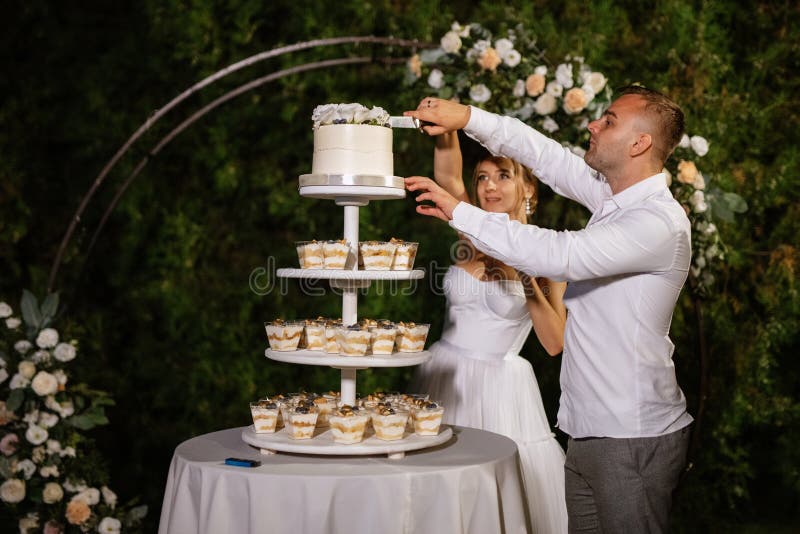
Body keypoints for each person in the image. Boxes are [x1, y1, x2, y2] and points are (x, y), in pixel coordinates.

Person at [405, 86, 693, 534]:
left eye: (610, 121)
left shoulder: (656, 222)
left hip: (630, 435)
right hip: (585, 428)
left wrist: (458, 211)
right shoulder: (611, 200)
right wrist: (468, 118)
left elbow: (560, 255)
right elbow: (546, 156)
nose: (593, 125)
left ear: (640, 144)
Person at [413, 130, 569, 533]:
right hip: (443, 374)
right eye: (482, 177)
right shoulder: (473, 232)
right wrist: (445, 128)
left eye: (502, 175)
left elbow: (555, 343)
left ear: (528, 187)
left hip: (500, 390)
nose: (489, 187)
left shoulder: (549, 251)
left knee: (492, 497)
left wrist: (523, 275)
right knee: (437, 492)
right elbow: (448, 179)